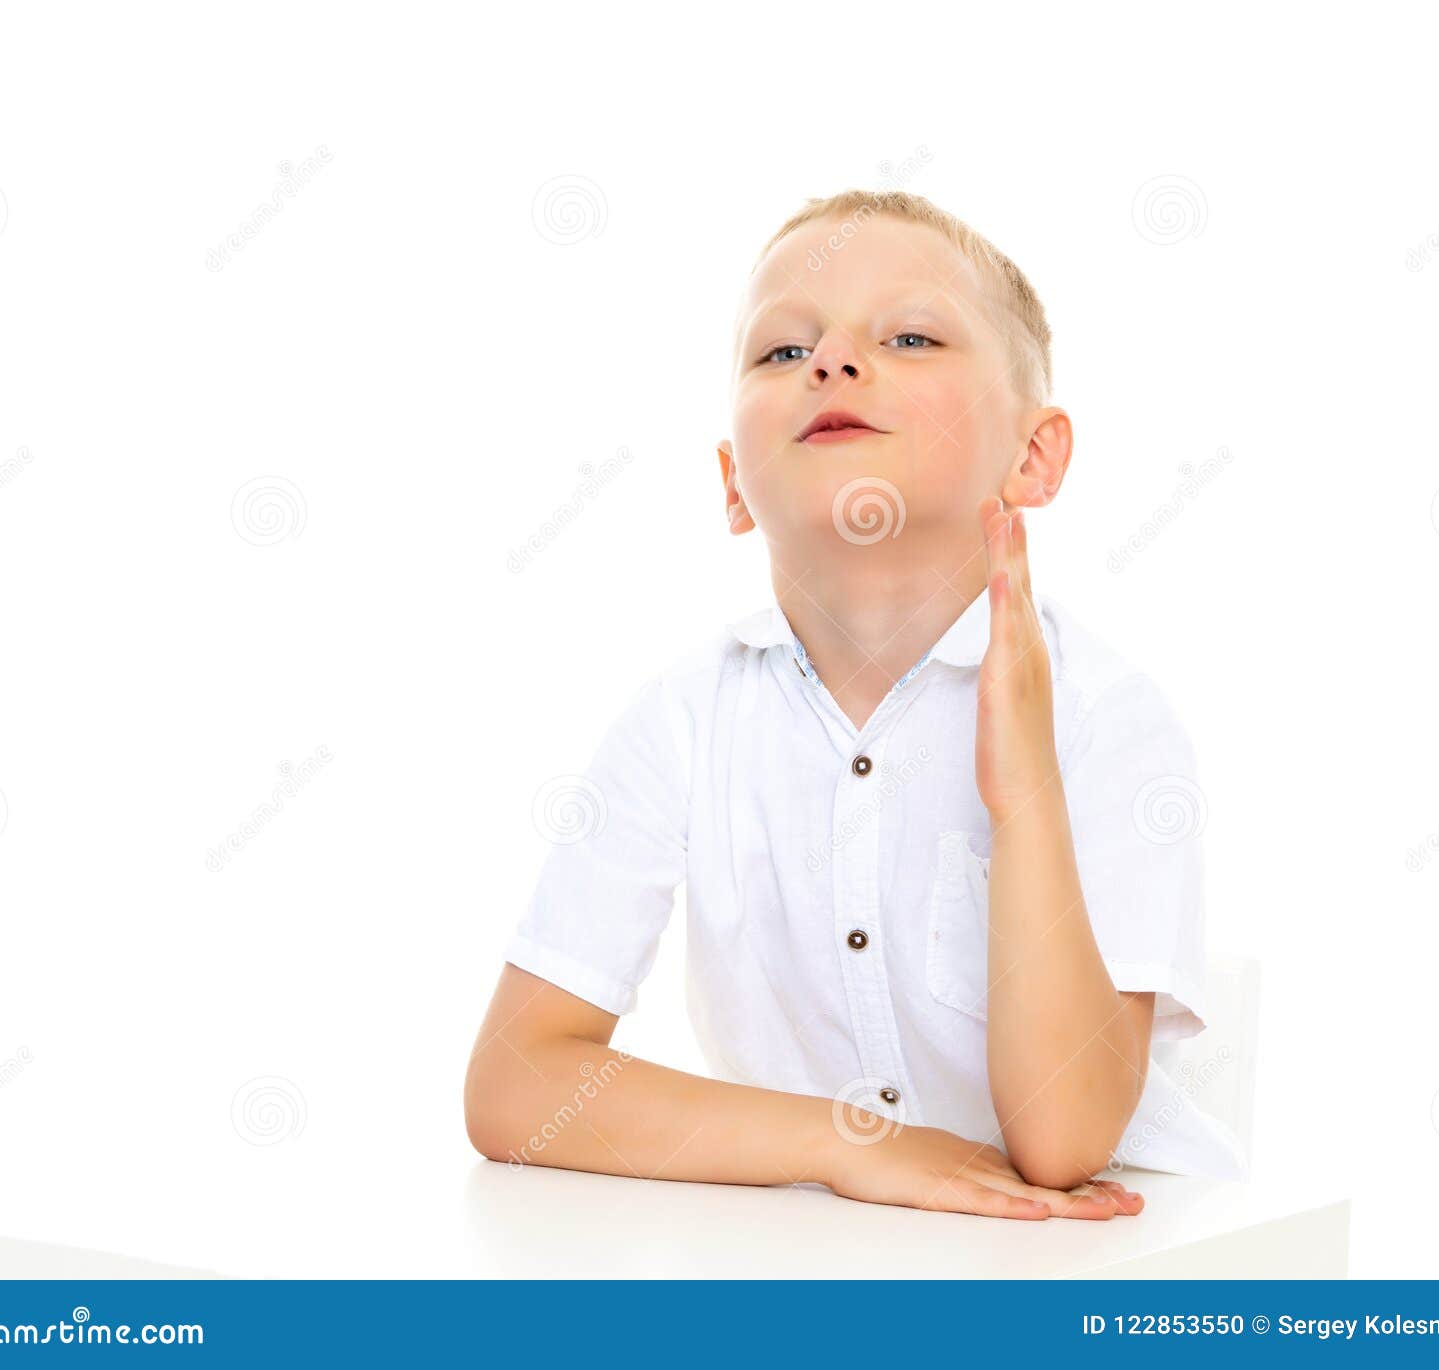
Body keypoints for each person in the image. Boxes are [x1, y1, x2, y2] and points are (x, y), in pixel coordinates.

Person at [465, 188, 1246, 1221]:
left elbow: (1062, 1143)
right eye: (782, 351)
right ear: (734, 483)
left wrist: (1023, 797)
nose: (831, 360)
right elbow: (516, 1083)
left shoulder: (1107, 715)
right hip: (836, 1242)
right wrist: (848, 1145)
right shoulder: (681, 719)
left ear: (1033, 456)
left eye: (910, 335)